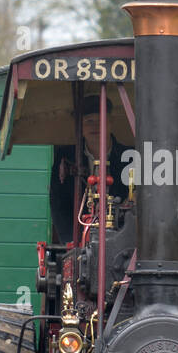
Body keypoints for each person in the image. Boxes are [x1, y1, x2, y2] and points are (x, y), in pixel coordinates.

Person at [49, 93, 130, 243]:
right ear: (80, 126)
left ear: (111, 123)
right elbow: (59, 205)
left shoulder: (130, 157)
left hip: (123, 242)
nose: (95, 126)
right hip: (80, 242)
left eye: (101, 121)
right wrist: (71, 243)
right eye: (89, 121)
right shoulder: (65, 159)